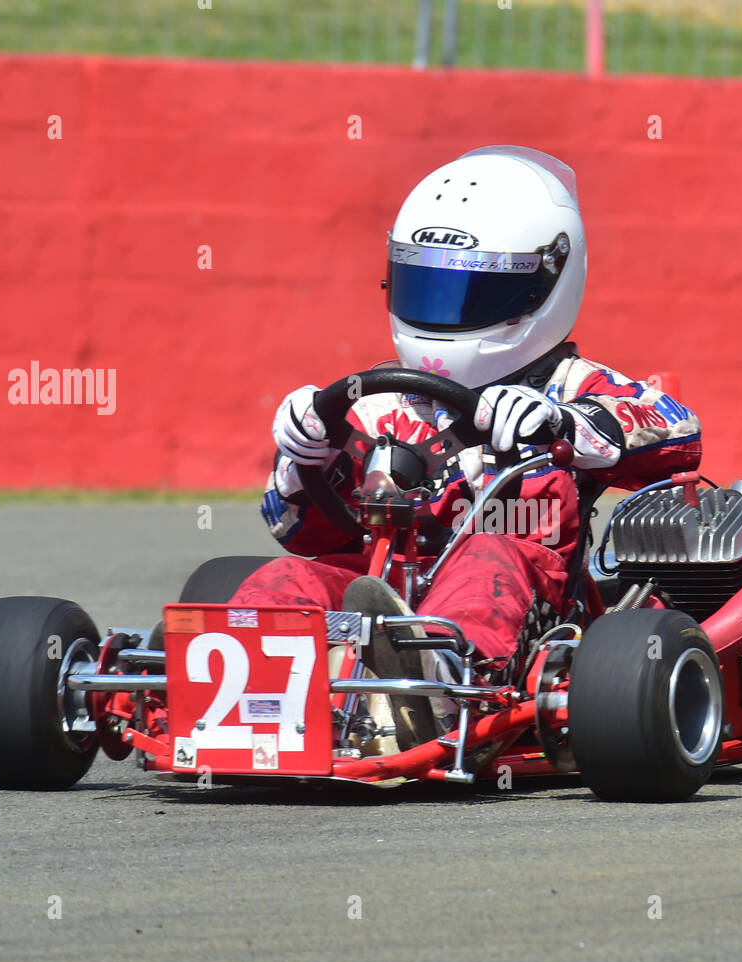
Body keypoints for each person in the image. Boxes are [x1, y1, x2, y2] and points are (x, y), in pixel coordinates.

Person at [233, 145, 702, 748]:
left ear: (542, 286)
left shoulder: (571, 388)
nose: (442, 315)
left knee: (486, 557)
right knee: (284, 578)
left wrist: (567, 426)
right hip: (383, 588)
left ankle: (441, 686)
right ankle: (245, 698)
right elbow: (307, 537)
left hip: (536, 613)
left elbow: (678, 432)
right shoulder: (372, 402)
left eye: (472, 294)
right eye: (426, 288)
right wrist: (306, 461)